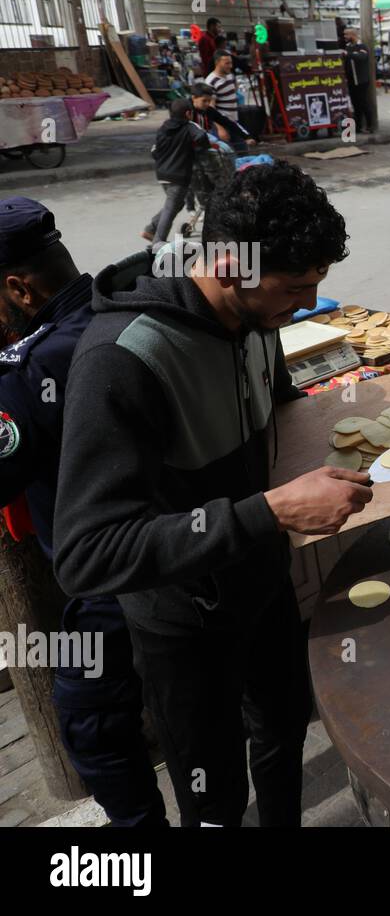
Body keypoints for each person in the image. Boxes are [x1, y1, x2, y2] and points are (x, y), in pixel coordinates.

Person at [54, 161, 368, 828]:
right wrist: (272, 510)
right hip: (184, 624)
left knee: (284, 732)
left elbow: (277, 404)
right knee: (213, 791)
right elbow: (86, 555)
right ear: (229, 269)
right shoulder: (123, 359)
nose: (307, 305)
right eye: (295, 288)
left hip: (264, 582)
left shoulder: (256, 319)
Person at [0, 199, 167, 827]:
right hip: (175, 541)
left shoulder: (30, 366)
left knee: (91, 725)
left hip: (108, 577)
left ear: (18, 288)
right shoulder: (122, 303)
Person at [141, 98, 209, 248]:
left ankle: (151, 229)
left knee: (176, 203)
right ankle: (158, 241)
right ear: (188, 113)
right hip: (178, 175)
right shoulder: (190, 127)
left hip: (162, 173)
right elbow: (202, 137)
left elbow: (155, 151)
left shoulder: (164, 127)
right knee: (172, 207)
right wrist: (199, 149)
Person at [191, 80, 255, 153]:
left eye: (209, 101)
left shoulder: (209, 111)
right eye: (204, 101)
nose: (207, 104)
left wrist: (246, 137)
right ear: (194, 98)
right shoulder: (186, 110)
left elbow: (228, 122)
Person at [343, 27, 376, 134]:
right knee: (355, 104)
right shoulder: (347, 47)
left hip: (361, 80)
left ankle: (370, 125)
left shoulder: (361, 46)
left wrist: (349, 55)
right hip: (351, 80)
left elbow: (362, 57)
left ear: (353, 35)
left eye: (347, 35)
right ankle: (357, 127)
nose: (345, 37)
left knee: (363, 103)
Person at [204, 49, 239, 124]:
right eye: (227, 63)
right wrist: (219, 127)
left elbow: (234, 91)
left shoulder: (230, 75)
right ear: (217, 63)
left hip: (234, 121)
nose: (230, 66)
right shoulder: (211, 81)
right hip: (223, 123)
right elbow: (211, 108)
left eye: (231, 63)